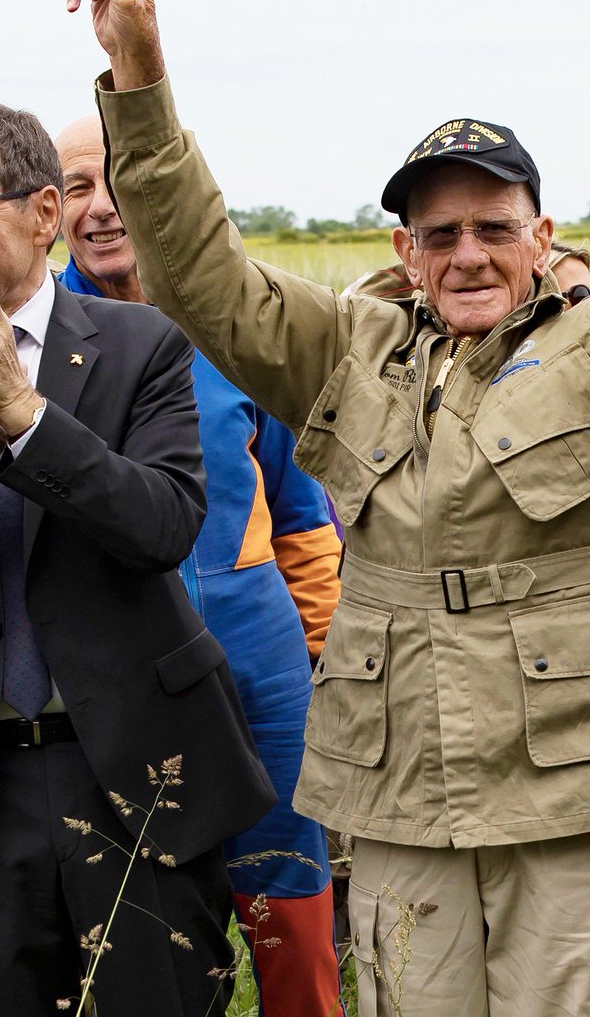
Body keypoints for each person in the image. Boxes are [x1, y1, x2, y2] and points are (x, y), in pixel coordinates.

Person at [68, 0, 590, 1016]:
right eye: (439, 232)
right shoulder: (346, 349)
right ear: (409, 253)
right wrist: (141, 74)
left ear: (542, 233)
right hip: (399, 785)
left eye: (492, 226)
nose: (467, 252)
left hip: (573, 793)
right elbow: (199, 274)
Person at [0, 99, 276, 1015]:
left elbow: (163, 525)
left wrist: (31, 424)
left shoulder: (143, 345)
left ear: (41, 214)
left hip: (138, 778)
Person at [54, 113, 346, 1017]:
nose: (102, 210)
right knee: (141, 928)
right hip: (106, 682)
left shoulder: (239, 328)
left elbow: (300, 516)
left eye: (123, 184)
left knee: (289, 898)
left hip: (258, 667)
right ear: (41, 209)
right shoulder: (24, 335)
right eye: (75, 189)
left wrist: (327, 657)